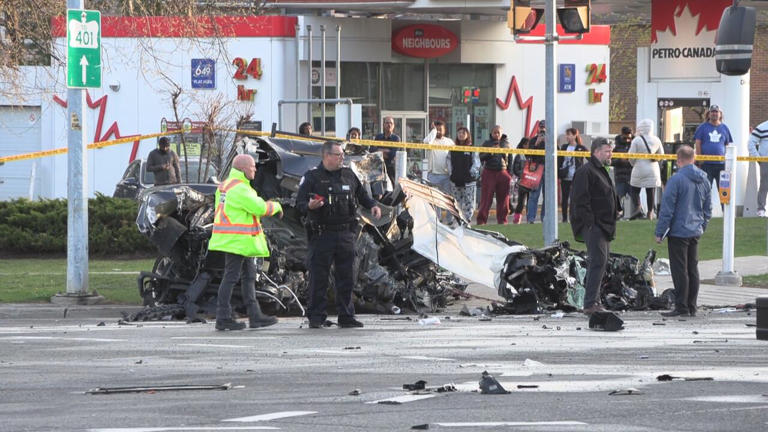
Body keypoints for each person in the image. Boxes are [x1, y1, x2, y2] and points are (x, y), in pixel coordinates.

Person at [296, 141, 382, 329]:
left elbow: (362, 196)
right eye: (338, 155)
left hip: (345, 234)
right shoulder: (312, 177)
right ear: (326, 156)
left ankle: (346, 315)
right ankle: (316, 316)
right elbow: (299, 204)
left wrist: (373, 205)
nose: (342, 158)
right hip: (322, 234)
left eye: (342, 155)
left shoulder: (349, 175)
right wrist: (309, 207)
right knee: (319, 277)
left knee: (347, 277)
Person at [209, 154, 284, 331]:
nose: (255, 169)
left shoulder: (226, 186)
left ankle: (254, 315)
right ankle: (223, 317)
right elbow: (259, 207)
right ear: (243, 168)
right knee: (232, 277)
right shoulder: (240, 188)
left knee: (248, 277)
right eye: (252, 167)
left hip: (236, 240)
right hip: (237, 241)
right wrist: (277, 206)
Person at [655, 145, 712, 317]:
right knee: (693, 269)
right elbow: (707, 208)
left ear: (678, 160)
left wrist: (660, 231)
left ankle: (681, 306)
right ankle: (692, 305)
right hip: (695, 230)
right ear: (693, 159)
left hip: (679, 231)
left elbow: (667, 208)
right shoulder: (704, 179)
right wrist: (703, 226)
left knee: (680, 270)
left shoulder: (676, 180)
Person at [569, 138, 621, 315]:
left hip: (605, 225)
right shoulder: (586, 171)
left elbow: (608, 194)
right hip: (594, 225)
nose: (610, 154)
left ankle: (595, 301)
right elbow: (579, 200)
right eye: (607, 151)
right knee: (597, 261)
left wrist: (617, 210)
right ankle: (590, 303)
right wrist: (590, 223)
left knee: (602, 262)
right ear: (596, 152)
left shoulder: (601, 171)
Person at [628, 118, 664, 220]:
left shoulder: (637, 140)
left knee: (634, 189)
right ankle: (650, 213)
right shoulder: (656, 139)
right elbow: (661, 155)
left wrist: (634, 164)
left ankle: (638, 208)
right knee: (650, 191)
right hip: (653, 169)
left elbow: (631, 156)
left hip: (639, 168)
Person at [477, 125, 512, 225]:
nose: (496, 134)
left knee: (504, 199)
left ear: (501, 134)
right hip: (489, 172)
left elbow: (510, 159)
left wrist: (510, 174)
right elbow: (481, 157)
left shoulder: (506, 143)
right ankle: (481, 221)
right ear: (491, 133)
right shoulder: (486, 143)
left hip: (503, 172)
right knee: (486, 199)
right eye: (494, 132)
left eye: (498, 133)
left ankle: (502, 221)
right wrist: (490, 152)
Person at [694, 104, 732, 189]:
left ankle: (723, 203)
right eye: (712, 112)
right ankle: (707, 203)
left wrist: (727, 161)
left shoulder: (725, 128)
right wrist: (700, 160)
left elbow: (727, 145)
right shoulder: (702, 127)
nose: (714, 113)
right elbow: (698, 143)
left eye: (716, 112)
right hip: (706, 164)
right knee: (705, 189)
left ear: (720, 114)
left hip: (721, 165)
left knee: (724, 190)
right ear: (709, 114)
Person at [449, 126, 481, 223]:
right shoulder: (453, 149)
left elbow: (476, 163)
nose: (461, 135)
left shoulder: (472, 148)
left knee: (468, 202)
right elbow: (448, 162)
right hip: (455, 180)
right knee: (455, 202)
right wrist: (451, 173)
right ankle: (457, 220)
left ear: (467, 135)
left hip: (468, 181)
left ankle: (467, 220)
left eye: (463, 133)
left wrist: (471, 174)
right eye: (459, 133)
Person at [557, 128, 587, 223]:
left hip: (576, 176)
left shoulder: (581, 147)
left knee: (575, 198)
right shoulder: (564, 147)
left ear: (575, 135)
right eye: (566, 134)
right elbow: (559, 161)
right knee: (565, 198)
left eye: (569, 134)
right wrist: (558, 172)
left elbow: (591, 158)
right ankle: (564, 218)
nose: (567, 137)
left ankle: (574, 217)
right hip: (565, 176)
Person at [423, 120, 455, 195]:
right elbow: (426, 142)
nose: (438, 132)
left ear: (444, 130)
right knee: (433, 199)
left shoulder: (449, 142)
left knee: (447, 199)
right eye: (437, 130)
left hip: (446, 176)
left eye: (440, 129)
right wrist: (433, 131)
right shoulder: (431, 140)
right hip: (433, 175)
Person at [526, 121, 547, 223]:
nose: (542, 129)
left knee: (547, 196)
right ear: (538, 128)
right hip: (536, 169)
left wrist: (548, 142)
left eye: (544, 127)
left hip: (548, 169)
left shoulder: (551, 140)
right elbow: (528, 155)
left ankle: (545, 218)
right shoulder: (533, 140)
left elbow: (557, 154)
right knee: (534, 195)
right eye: (541, 127)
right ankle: (531, 219)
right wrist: (536, 144)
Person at [747, 120, 768, 217]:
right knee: (764, 185)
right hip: (765, 161)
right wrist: (758, 158)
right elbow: (751, 142)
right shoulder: (762, 127)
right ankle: (761, 209)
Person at [371, 116, 401, 183]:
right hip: (378, 168)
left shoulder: (396, 139)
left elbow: (392, 155)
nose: (389, 125)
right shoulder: (378, 137)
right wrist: (386, 151)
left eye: (391, 123)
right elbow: (372, 150)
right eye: (387, 123)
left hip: (390, 169)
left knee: (392, 189)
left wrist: (379, 150)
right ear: (383, 125)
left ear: (393, 126)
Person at [612, 126, 634, 208]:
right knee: (618, 197)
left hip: (632, 176)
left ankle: (637, 212)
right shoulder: (617, 148)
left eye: (629, 138)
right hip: (620, 177)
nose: (627, 140)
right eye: (625, 138)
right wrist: (620, 160)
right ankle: (617, 213)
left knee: (635, 198)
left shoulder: (634, 145)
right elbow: (611, 161)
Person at [510, 137, 530, 224]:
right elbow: (515, 169)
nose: (528, 146)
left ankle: (529, 219)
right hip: (522, 181)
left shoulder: (531, 154)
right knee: (521, 201)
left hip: (531, 181)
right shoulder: (519, 155)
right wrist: (522, 175)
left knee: (530, 201)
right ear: (523, 145)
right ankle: (517, 218)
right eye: (527, 144)